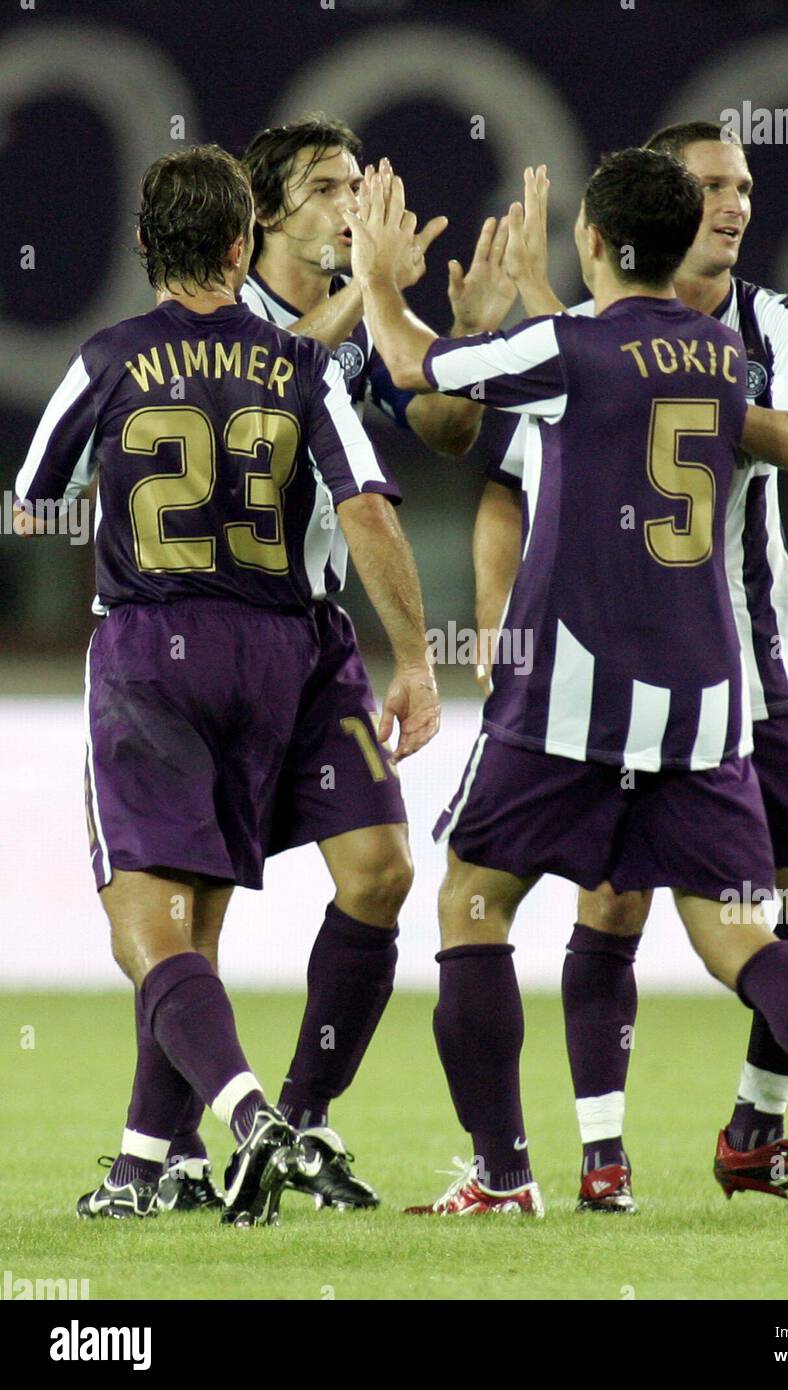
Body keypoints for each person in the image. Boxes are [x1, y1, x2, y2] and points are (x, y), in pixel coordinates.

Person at [343, 150, 788, 1223]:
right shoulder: (724, 357)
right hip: (705, 697)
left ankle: (502, 1174)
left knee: (473, 901)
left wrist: (379, 280)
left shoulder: (570, 346)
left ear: (588, 241)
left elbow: (413, 371)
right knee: (735, 934)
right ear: (678, 247)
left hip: (571, 692)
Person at [14, 144, 439, 1223]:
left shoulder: (107, 356)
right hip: (277, 649)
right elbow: (368, 508)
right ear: (243, 244)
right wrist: (420, 658)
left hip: (154, 650)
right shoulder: (297, 369)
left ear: (145, 248)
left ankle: (253, 1119)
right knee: (200, 915)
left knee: (155, 930)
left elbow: (30, 503)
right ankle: (150, 1162)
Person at [476, 123, 788, 1215]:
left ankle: (754, 1129)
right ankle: (602, 1158)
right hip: (635, 658)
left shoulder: (765, 323)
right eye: (710, 186)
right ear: (662, 203)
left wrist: (672, 390)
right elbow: (504, 491)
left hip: (762, 658)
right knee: (616, 902)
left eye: (745, 185)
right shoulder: (582, 338)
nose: (734, 205)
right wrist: (496, 631)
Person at [156, 115, 515, 1212]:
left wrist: (452, 333)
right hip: (200, 629)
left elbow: (446, 434)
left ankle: (298, 1123)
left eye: (357, 186)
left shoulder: (351, 320)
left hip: (312, 637)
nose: (349, 204)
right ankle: (164, 1148)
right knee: (191, 906)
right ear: (256, 217)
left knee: (382, 871)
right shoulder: (220, 320)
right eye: (324, 188)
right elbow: (277, 374)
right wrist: (371, 288)